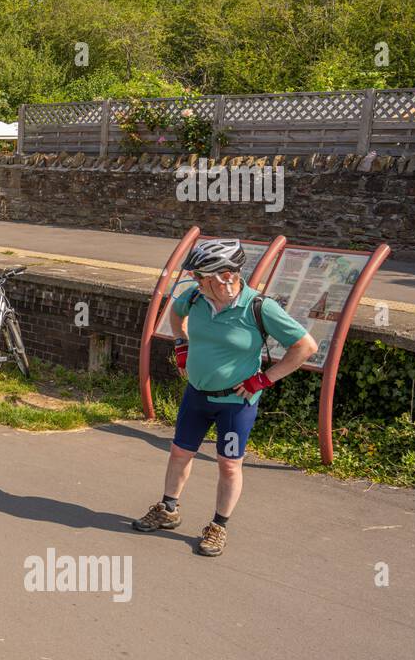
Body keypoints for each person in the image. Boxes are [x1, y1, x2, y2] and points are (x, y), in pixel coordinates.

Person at [134, 239, 318, 557]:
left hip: (235, 403)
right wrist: (181, 346)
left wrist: (264, 379)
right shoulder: (195, 297)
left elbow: (305, 346)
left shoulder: (259, 307)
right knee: (179, 453)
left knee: (229, 466)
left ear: (225, 276)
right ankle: (168, 509)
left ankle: (218, 526)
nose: (194, 280)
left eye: (200, 275)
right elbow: (176, 316)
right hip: (197, 395)